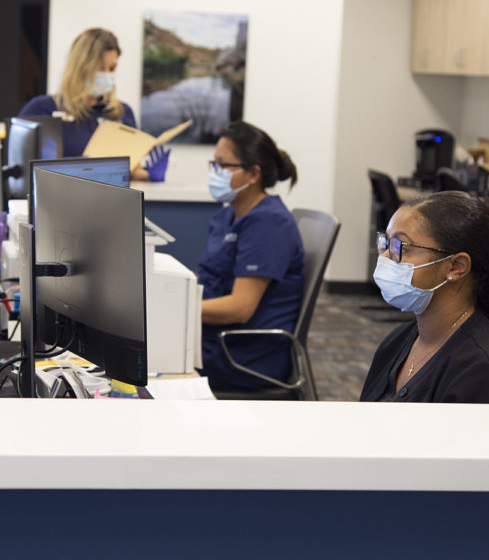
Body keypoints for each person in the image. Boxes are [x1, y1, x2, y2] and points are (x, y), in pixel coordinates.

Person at [360, 190, 489, 404]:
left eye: (400, 246)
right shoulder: (398, 341)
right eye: (386, 243)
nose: (386, 257)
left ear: (456, 267)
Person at [197, 121, 304, 391]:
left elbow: (240, 308)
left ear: (254, 174)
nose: (216, 172)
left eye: (223, 165)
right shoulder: (227, 215)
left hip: (241, 356)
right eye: (214, 164)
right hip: (210, 339)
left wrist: (177, 310)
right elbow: (207, 276)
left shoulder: (269, 224)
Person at [18, 27, 168, 181]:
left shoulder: (122, 113)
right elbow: (22, 171)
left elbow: (127, 174)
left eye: (112, 68)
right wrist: (73, 166)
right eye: (100, 67)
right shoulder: (42, 110)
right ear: (80, 67)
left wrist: (148, 176)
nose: (107, 74)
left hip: (110, 196)